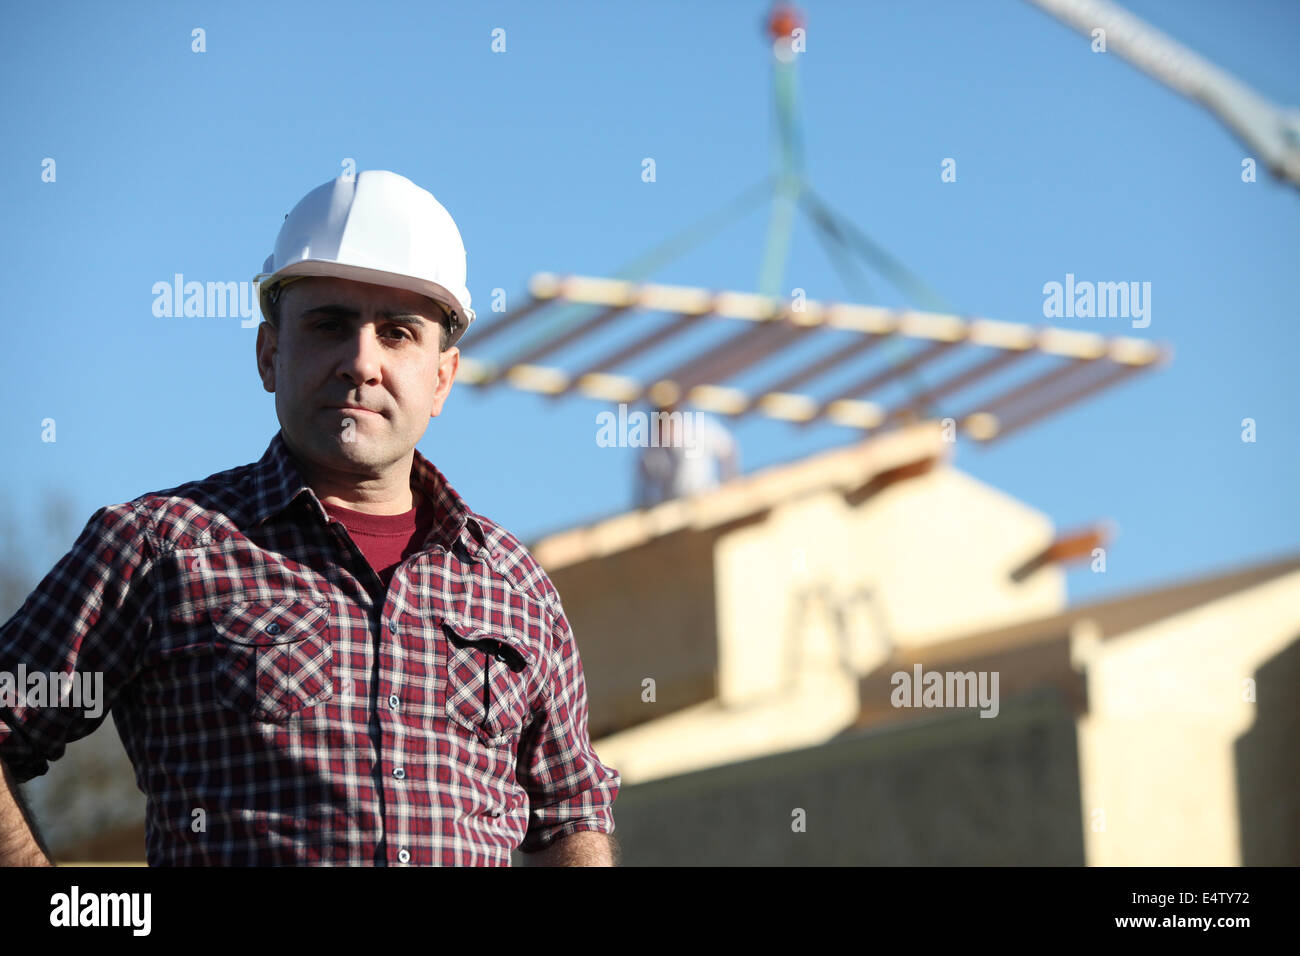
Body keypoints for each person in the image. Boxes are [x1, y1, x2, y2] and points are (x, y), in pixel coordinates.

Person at [0, 170, 619, 867]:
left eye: (398, 333)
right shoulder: (159, 548)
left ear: (442, 378)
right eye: (329, 326)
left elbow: (571, 813)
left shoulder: (516, 586)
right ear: (270, 355)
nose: (361, 362)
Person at [635, 400, 741, 507]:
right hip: (674, 506)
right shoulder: (653, 450)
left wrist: (729, 486)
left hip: (705, 498)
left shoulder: (696, 430)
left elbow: (727, 448)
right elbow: (645, 485)